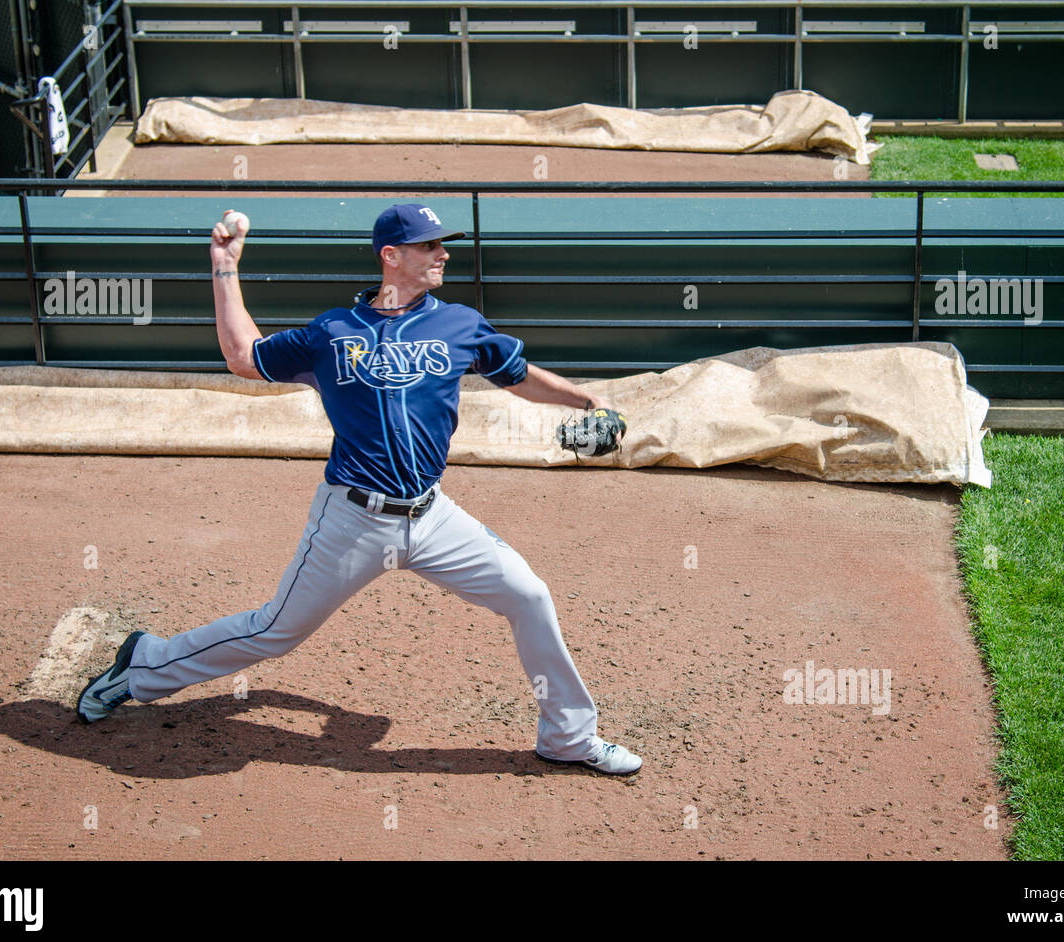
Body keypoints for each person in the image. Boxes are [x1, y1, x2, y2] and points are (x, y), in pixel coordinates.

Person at [77, 202, 641, 776]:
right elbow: (243, 358)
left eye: (443, 245)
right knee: (276, 631)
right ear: (391, 256)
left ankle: (569, 737)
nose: (443, 254)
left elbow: (518, 376)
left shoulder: (460, 325)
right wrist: (225, 267)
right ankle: (145, 664)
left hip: (432, 515)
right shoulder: (331, 331)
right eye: (429, 246)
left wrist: (589, 400)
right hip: (354, 520)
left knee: (529, 595)